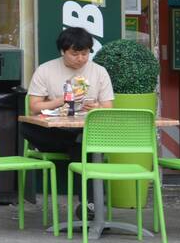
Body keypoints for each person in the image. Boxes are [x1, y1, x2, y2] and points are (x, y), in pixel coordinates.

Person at [21, 26, 115, 203]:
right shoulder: (46, 70)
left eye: (85, 54)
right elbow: (34, 107)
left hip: (88, 131)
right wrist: (63, 100)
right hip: (57, 132)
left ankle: (90, 207)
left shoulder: (99, 72)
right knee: (25, 127)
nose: (81, 59)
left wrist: (96, 108)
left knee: (83, 145)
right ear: (63, 51)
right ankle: (91, 207)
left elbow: (108, 107)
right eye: (75, 54)